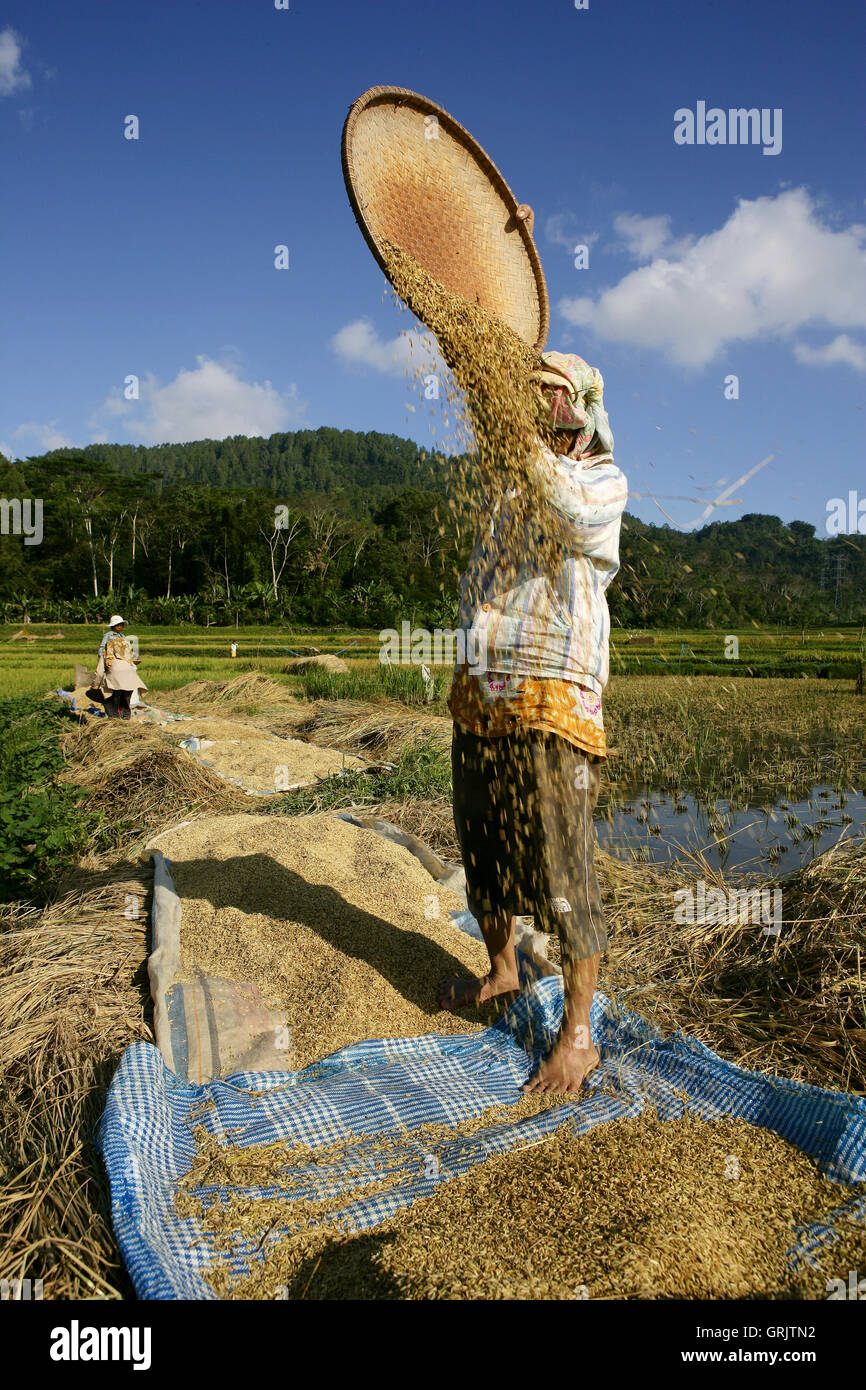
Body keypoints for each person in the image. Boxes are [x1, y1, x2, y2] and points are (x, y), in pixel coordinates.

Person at [441, 351, 628, 1096]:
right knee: (481, 838)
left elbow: (573, 518)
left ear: (578, 408)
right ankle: (502, 969)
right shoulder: (503, 482)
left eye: (542, 393)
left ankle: (578, 1036)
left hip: (554, 685)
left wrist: (521, 441)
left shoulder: (597, 479)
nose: (527, 405)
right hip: (485, 684)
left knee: (559, 861)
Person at [98, 615, 146, 719]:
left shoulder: (123, 637)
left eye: (121, 625)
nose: (119, 627)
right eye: (117, 625)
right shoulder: (108, 636)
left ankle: (124, 715)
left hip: (125, 666)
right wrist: (102, 663)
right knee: (117, 691)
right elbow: (102, 649)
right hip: (113, 665)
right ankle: (116, 715)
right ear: (113, 626)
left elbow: (128, 651)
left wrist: (135, 657)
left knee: (127, 690)